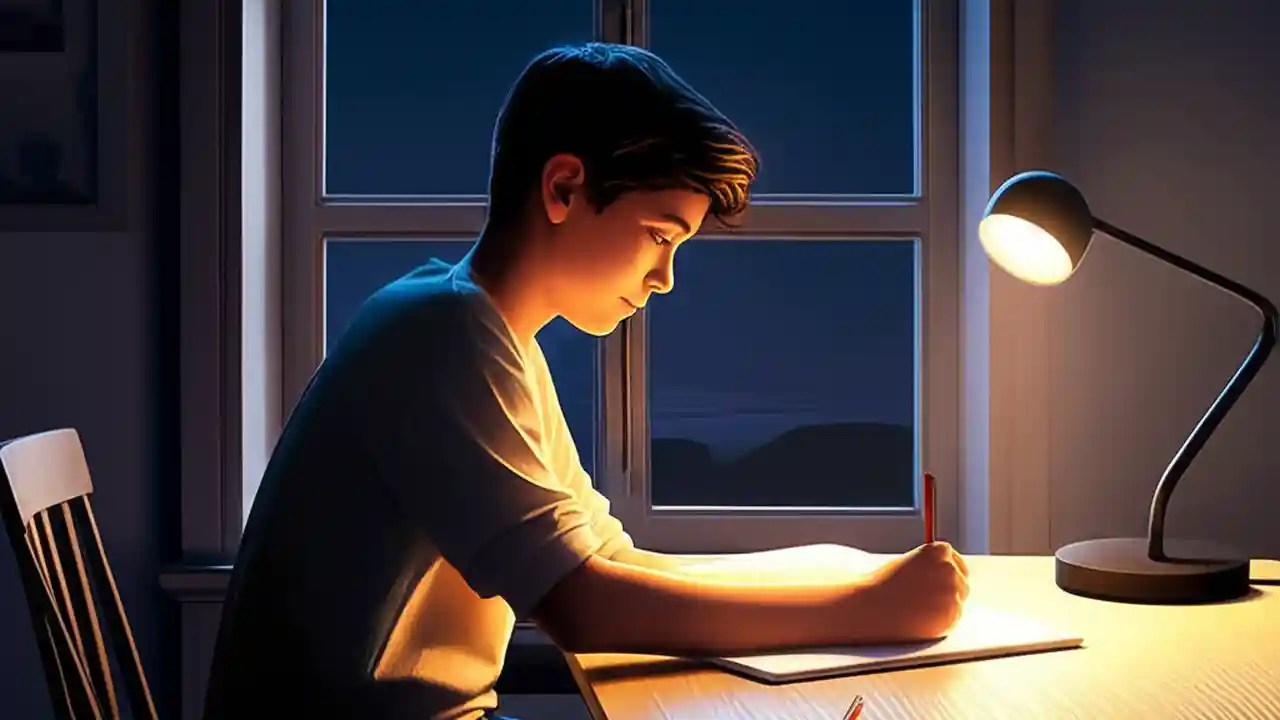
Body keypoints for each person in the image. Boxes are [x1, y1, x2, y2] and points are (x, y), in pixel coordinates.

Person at [202, 42, 969, 720]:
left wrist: (838, 574)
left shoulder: (489, 335)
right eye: (660, 235)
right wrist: (864, 609)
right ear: (564, 189)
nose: (666, 276)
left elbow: (608, 556)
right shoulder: (443, 334)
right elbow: (583, 606)